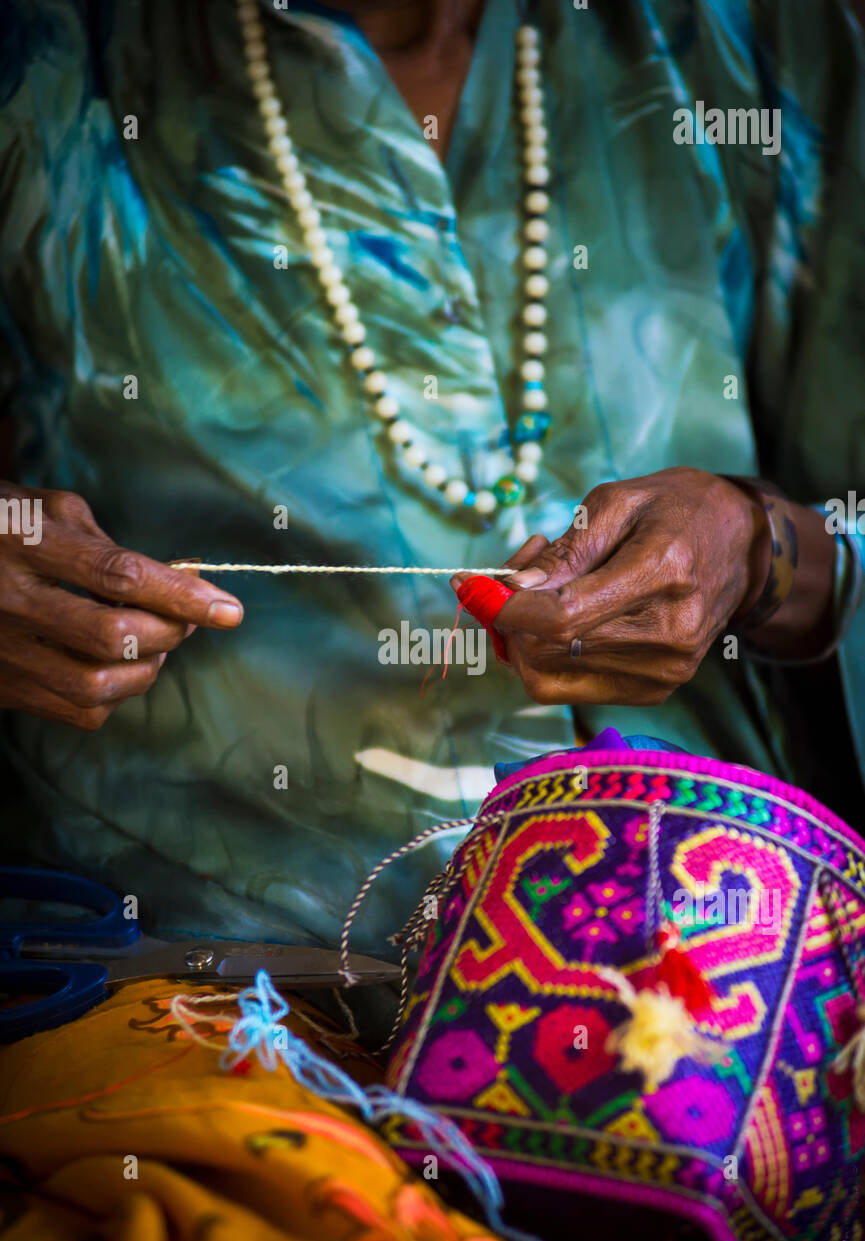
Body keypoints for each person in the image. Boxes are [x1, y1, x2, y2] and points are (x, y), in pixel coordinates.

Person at [1, 0, 864, 980]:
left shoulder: (752, 44)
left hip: (728, 1000)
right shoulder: (51, 62)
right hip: (200, 1006)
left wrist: (761, 551)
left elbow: (847, 539)